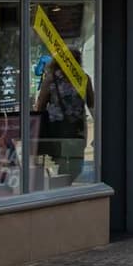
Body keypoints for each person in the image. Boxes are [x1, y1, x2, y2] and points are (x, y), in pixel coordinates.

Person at [32, 57, 93, 186]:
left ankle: (61, 188)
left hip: (57, 130)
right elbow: (92, 105)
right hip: (76, 130)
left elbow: (41, 105)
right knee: (75, 164)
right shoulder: (83, 78)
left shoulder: (51, 79)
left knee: (60, 162)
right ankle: (65, 187)